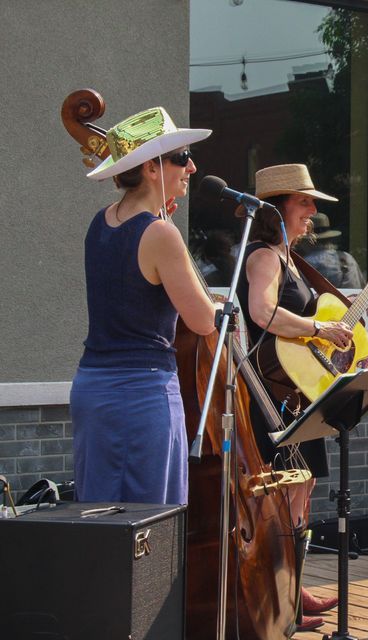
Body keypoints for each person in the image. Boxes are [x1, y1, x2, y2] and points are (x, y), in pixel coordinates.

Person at [235, 163, 368, 632]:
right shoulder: (264, 256)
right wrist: (321, 326)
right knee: (284, 494)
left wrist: (359, 307)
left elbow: (317, 336)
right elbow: (264, 313)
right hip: (276, 396)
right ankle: (281, 600)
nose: (312, 211)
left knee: (301, 492)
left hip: (302, 393)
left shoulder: (290, 260)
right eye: (304, 202)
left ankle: (293, 590)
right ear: (278, 207)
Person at [71, 107, 217, 505]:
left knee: (98, 525)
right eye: (181, 157)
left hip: (92, 389)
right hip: (141, 392)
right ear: (152, 169)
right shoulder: (159, 234)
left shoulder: (100, 222)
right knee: (148, 531)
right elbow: (203, 320)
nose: (191, 166)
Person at [298, 213, 365, 289]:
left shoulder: (303, 264)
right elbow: (359, 289)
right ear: (329, 238)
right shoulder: (347, 259)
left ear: (307, 241)